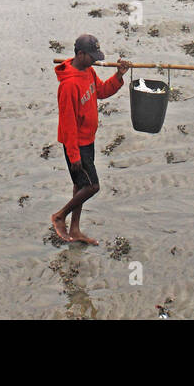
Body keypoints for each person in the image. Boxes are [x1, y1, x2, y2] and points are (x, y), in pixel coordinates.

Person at [50, 34, 130, 245]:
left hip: (88, 140)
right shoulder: (68, 86)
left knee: (80, 185)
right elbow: (67, 123)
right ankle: (60, 216)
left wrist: (118, 76)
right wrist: (74, 154)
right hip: (76, 145)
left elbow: (101, 92)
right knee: (92, 186)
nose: (95, 60)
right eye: (91, 56)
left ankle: (75, 229)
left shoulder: (89, 72)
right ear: (80, 54)